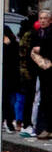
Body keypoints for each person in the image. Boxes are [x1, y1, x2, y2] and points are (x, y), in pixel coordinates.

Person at [28, 8, 52, 140]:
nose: (42, 21)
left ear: (50, 21)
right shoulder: (38, 33)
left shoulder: (50, 33)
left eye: (45, 18)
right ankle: (42, 128)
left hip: (50, 70)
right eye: (41, 18)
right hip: (41, 71)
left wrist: (40, 49)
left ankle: (47, 128)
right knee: (43, 98)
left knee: (47, 98)